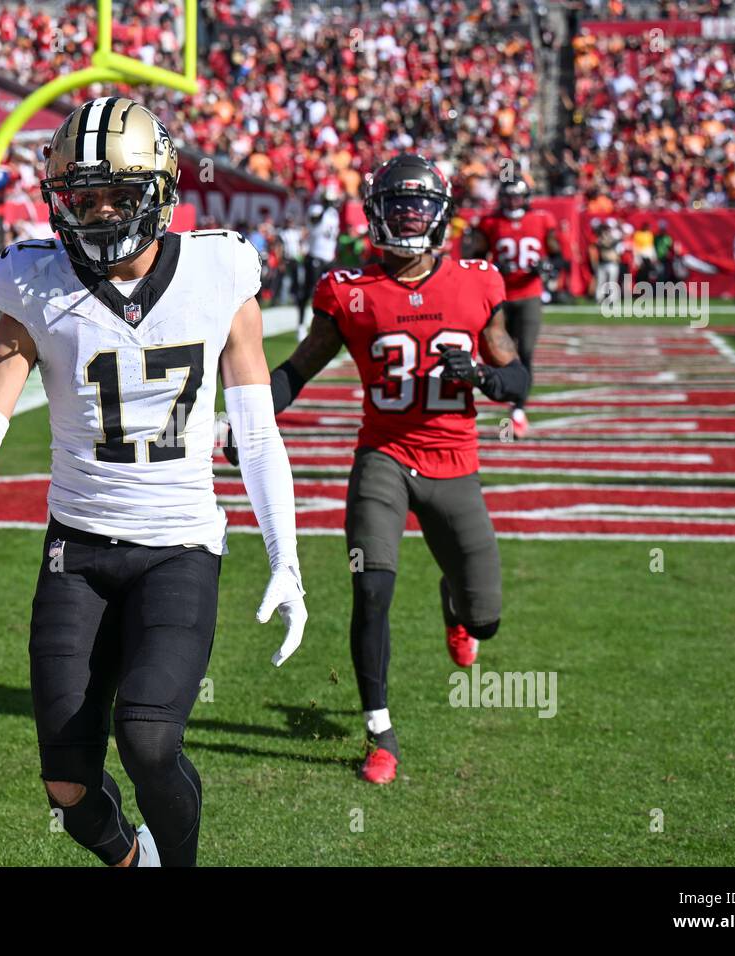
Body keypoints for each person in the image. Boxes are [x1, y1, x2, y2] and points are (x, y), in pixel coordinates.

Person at [0, 98, 307, 867]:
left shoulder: (220, 271)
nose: (102, 212)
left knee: (149, 740)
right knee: (67, 786)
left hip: (178, 548)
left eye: (119, 193)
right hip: (76, 551)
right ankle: (132, 861)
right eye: (83, 197)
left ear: (162, 191)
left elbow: (253, 429)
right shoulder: (35, 285)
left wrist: (285, 555)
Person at [229, 154, 526, 786]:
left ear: (441, 215)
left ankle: (455, 608)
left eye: (419, 206)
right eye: (398, 205)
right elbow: (295, 371)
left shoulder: (477, 281)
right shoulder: (349, 292)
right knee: (371, 588)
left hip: (455, 463)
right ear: (376, 213)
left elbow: (517, 373)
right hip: (384, 457)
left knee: (486, 619)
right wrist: (249, 415)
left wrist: (487, 377)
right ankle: (380, 733)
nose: (408, 216)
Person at [464, 178, 559, 440]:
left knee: (526, 351)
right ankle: (503, 392)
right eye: (508, 197)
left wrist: (547, 268)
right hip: (500, 296)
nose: (513, 202)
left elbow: (557, 255)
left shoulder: (542, 219)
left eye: (517, 197)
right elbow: (476, 260)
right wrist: (493, 270)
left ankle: (518, 410)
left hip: (529, 294)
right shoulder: (490, 222)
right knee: (500, 353)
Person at [297, 193, 341, 341]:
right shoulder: (316, 209)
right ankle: (301, 325)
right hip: (315, 255)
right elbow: (313, 222)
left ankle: (326, 325)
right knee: (309, 291)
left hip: (329, 258)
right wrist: (323, 210)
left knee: (330, 293)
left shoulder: (334, 213)